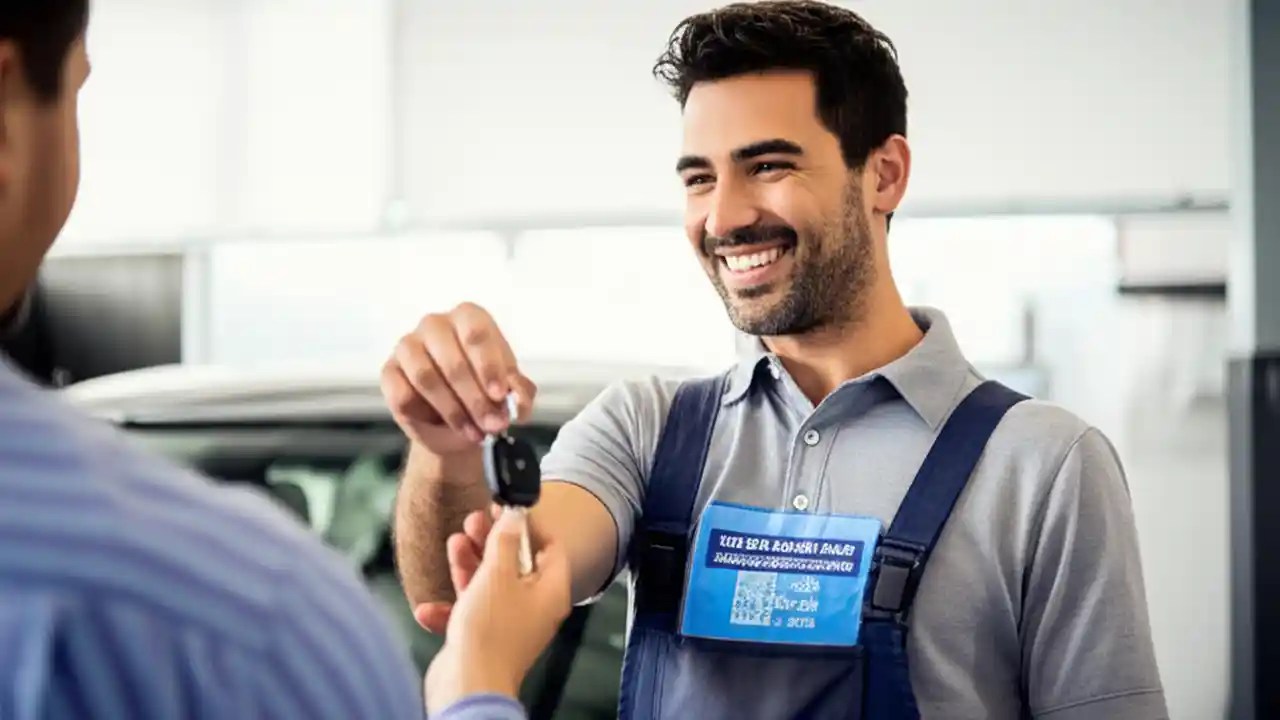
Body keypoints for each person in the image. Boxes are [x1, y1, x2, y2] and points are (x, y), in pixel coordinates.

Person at [384, 2, 1169, 719]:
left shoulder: (1046, 469)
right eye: (700, 178)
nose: (723, 217)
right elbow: (480, 591)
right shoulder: (648, 431)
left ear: (884, 174)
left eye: (769, 166)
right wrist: (444, 449)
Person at [0, 4, 569, 719]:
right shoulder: (251, 627)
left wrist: (451, 461)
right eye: (81, 91)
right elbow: (479, 592)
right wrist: (477, 685)